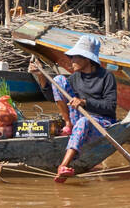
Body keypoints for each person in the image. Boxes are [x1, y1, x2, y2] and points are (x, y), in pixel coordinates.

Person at [29, 35, 117, 183]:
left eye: (75, 57)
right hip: (79, 119)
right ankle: (68, 125)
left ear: (87, 59)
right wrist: (41, 77)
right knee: (58, 80)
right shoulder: (76, 77)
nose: (71, 61)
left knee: (83, 122)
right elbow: (54, 97)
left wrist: (84, 102)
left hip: (102, 122)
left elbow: (110, 106)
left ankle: (63, 166)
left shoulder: (106, 77)